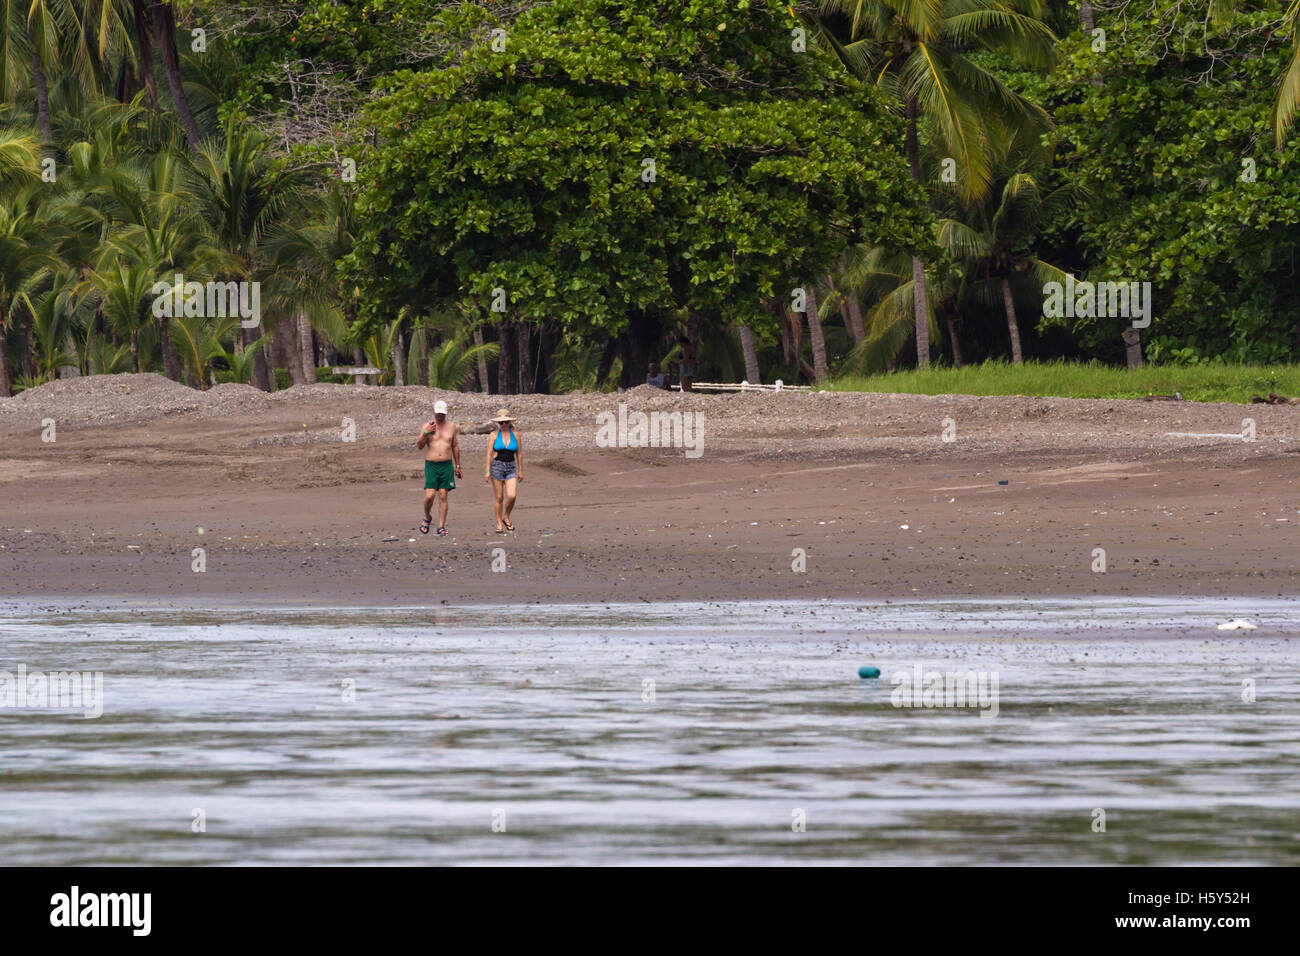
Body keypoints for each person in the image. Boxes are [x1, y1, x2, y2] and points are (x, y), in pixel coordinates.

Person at [417, 400, 462, 536]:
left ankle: (441, 526)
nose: (440, 416)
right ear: (434, 411)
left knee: (443, 495)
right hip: (432, 464)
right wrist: (426, 432)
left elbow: (454, 446)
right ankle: (427, 517)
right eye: (438, 413)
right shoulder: (427, 426)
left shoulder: (451, 426)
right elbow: (419, 446)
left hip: (446, 465)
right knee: (430, 495)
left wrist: (458, 466)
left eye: (442, 414)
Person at [484, 408, 523, 532]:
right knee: (499, 497)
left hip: (511, 466)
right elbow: (489, 453)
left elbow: (519, 454)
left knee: (512, 495)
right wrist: (487, 471)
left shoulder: (515, 434)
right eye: (501, 423)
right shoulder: (494, 435)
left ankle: (506, 516)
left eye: (506, 422)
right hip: (497, 466)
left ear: (509, 422)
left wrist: (521, 470)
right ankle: (499, 523)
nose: (504, 424)